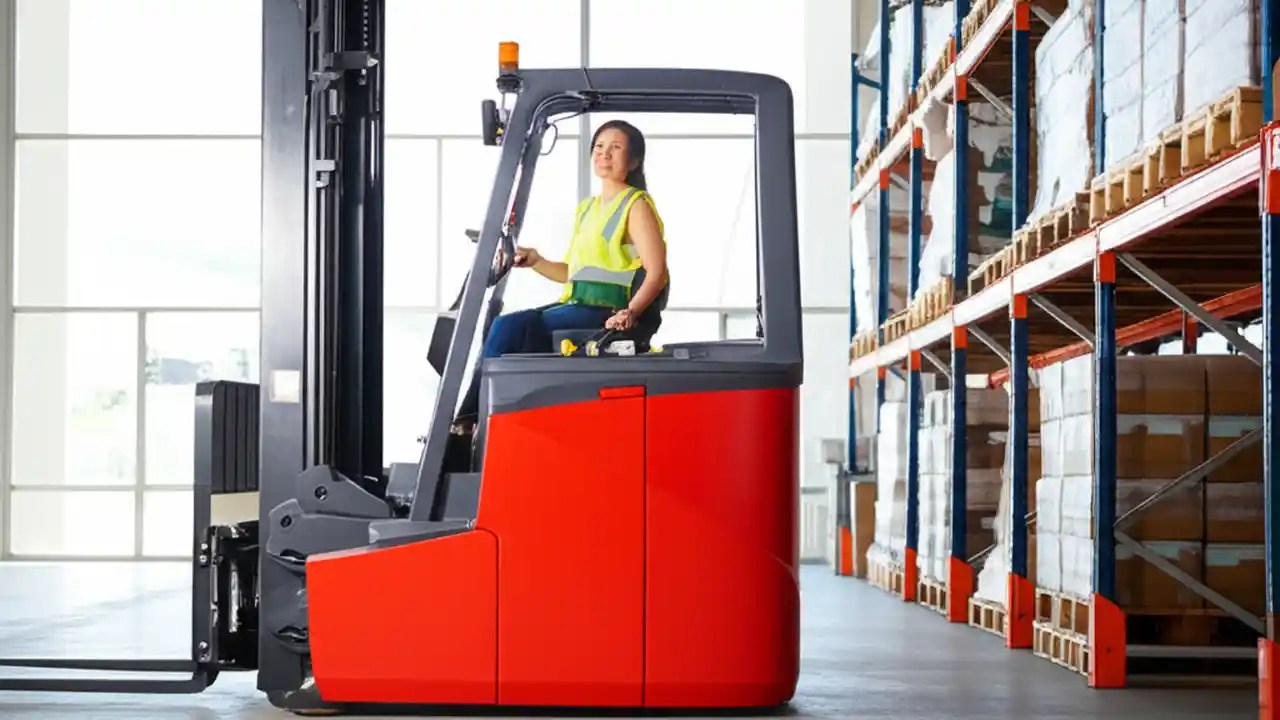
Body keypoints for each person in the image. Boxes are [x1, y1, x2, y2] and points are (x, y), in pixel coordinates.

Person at [455, 119, 669, 423]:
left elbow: (656, 271)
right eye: (599, 146)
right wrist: (536, 261)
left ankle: (470, 419)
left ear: (634, 160)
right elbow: (575, 274)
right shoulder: (588, 209)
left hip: (610, 312)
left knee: (508, 328)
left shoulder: (636, 205)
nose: (604, 153)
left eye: (616, 147)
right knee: (507, 328)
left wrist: (631, 311)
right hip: (578, 305)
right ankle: (491, 418)